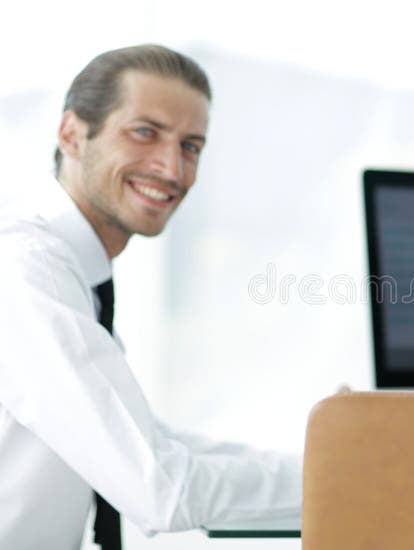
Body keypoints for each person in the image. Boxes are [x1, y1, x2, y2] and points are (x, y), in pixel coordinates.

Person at [0, 45, 301, 550]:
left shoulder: (75, 276)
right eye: (145, 133)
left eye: (191, 146)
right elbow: (160, 487)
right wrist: (348, 470)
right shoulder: (29, 273)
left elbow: (153, 444)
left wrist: (343, 454)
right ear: (71, 134)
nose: (171, 168)